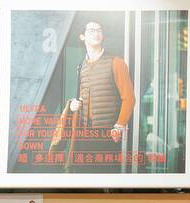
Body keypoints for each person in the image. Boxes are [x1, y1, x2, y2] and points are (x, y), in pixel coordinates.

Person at [51, 21, 135, 172]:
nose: (96, 33)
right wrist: (72, 105)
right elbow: (83, 97)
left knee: (104, 179)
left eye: (99, 30)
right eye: (91, 30)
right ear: (82, 36)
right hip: (83, 134)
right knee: (83, 178)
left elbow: (129, 98)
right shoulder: (81, 65)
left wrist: (119, 126)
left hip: (107, 133)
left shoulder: (116, 62)